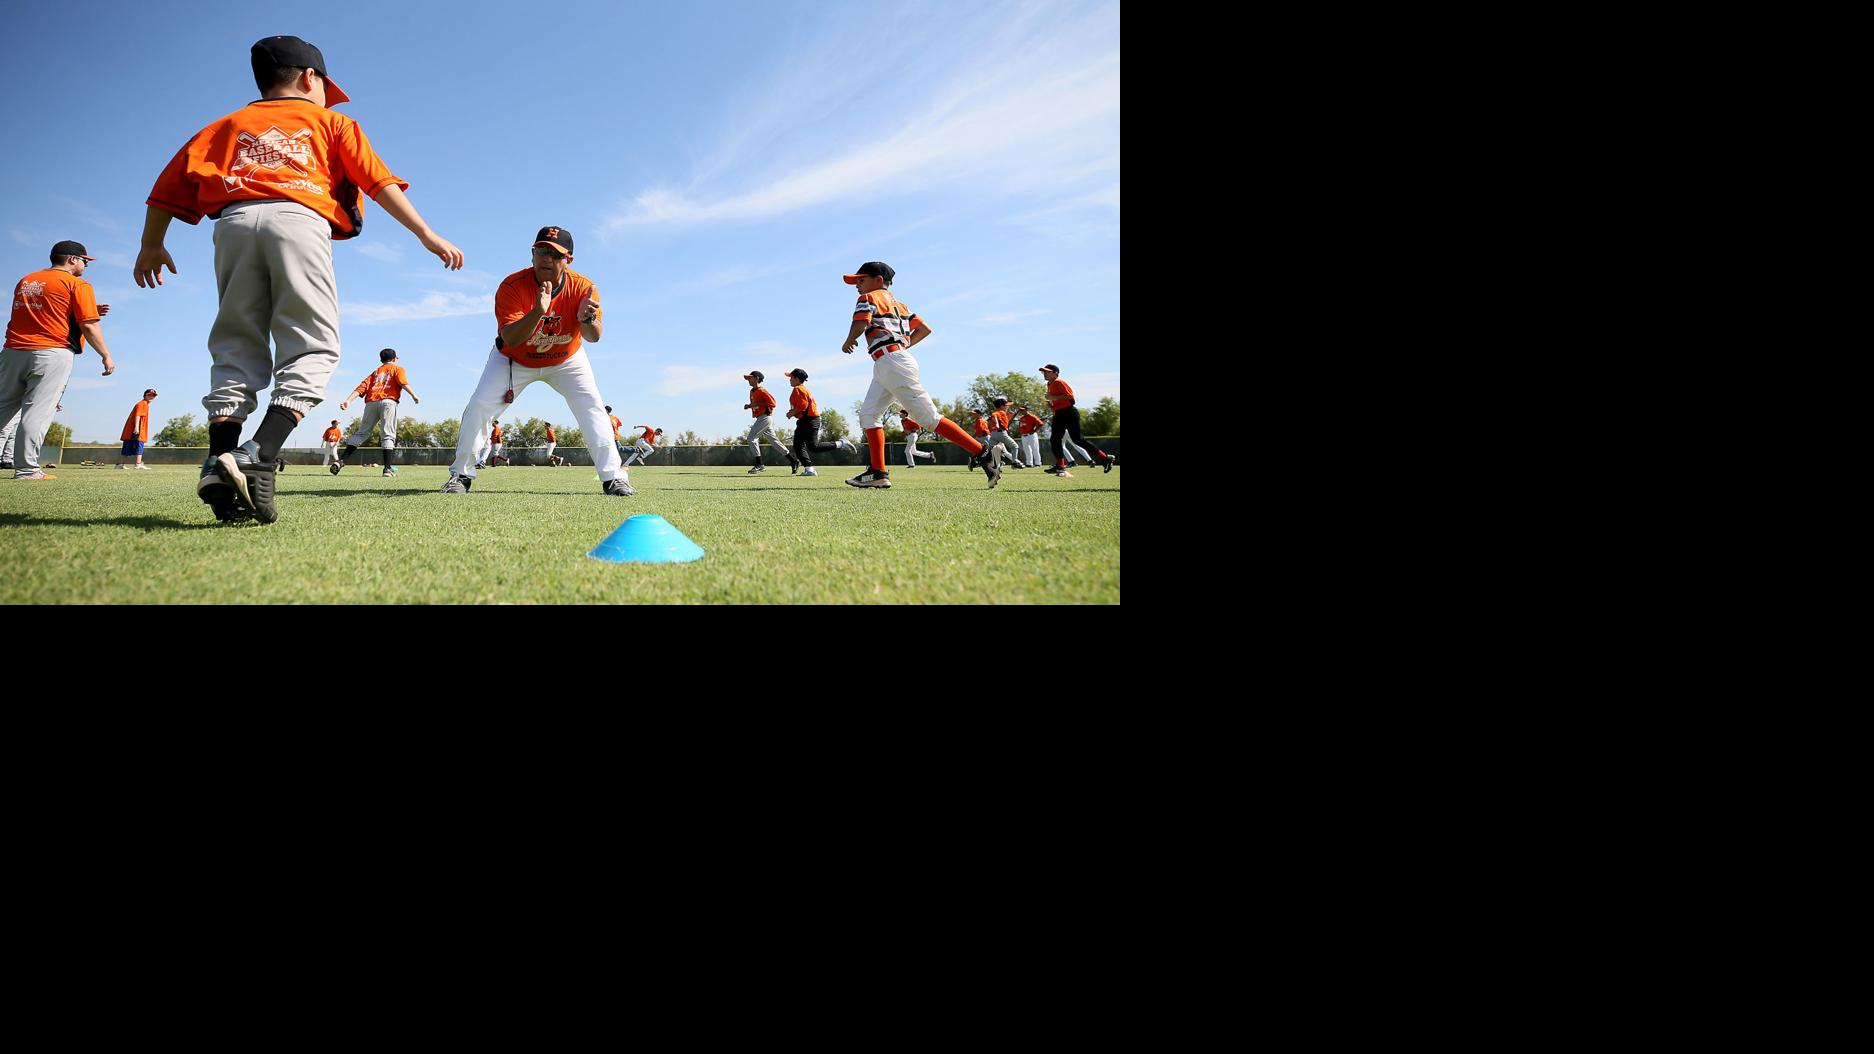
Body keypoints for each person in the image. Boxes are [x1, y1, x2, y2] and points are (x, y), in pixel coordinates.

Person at [136, 35, 462, 522]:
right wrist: (425, 233)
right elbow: (379, 183)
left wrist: (151, 244)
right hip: (298, 219)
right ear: (310, 77)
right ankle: (258, 453)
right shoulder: (331, 121)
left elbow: (166, 188)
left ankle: (218, 459)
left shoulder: (224, 125)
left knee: (235, 342)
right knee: (314, 346)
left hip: (233, 224)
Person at [441, 226, 629, 496]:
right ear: (532, 254)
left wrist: (586, 320)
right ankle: (461, 475)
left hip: (566, 358)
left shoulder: (584, 287)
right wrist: (539, 311)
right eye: (542, 251)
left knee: (593, 408)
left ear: (568, 260)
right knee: (479, 406)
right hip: (513, 359)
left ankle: (614, 478)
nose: (547, 259)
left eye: (555, 254)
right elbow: (511, 338)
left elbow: (594, 337)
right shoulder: (512, 286)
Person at [841, 261, 1001, 489]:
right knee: (869, 415)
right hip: (891, 361)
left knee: (929, 418)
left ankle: (984, 452)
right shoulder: (902, 306)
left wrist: (849, 340)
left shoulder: (869, 298)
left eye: (861, 280)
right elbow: (924, 328)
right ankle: (878, 472)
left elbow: (861, 322)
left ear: (878, 280)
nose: (857, 285)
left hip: (891, 362)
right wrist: (902, 346)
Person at [2, 240, 117, 481]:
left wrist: (86, 308)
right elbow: (88, 324)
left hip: (13, 350)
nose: (86, 265)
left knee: (2, 409)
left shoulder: (27, 279)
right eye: (85, 260)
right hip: (51, 352)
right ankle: (27, 470)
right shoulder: (78, 283)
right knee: (37, 412)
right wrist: (106, 354)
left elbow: (41, 309)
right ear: (72, 259)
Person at [334, 348, 419, 476]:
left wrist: (348, 400)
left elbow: (362, 387)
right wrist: (414, 395)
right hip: (388, 402)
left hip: (371, 403)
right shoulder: (398, 369)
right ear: (395, 359)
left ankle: (341, 461)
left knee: (362, 433)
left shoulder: (375, 372)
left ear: (381, 360)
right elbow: (403, 382)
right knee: (388, 434)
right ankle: (387, 468)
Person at [1039, 364, 1115, 478]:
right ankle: (1060, 466)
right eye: (1043, 372)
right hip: (1059, 414)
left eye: (1047, 371)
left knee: (1078, 440)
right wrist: (1051, 404)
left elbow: (1071, 398)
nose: (1045, 373)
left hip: (1069, 412)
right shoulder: (1049, 384)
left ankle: (1105, 458)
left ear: (1055, 372)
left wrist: (1053, 398)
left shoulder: (1059, 382)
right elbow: (1057, 402)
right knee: (1054, 439)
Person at [782, 368, 854, 478]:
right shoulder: (802, 389)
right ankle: (809, 469)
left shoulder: (798, 389)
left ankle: (841, 443)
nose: (790, 379)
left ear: (797, 379)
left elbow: (803, 406)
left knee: (813, 446)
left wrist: (791, 413)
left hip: (809, 420)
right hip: (807, 420)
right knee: (798, 444)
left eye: (791, 377)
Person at [742, 370, 796, 473]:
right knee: (774, 442)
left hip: (765, 417)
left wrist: (754, 404)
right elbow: (757, 404)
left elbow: (773, 403)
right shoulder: (752, 391)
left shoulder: (762, 390)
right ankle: (793, 460)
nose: (748, 380)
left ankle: (759, 464)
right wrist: (749, 406)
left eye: (750, 378)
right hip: (761, 418)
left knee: (751, 438)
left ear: (757, 378)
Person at [117, 389, 158, 469]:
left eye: (153, 395)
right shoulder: (143, 403)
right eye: (149, 395)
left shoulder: (144, 403)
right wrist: (136, 427)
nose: (151, 397)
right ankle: (138, 464)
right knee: (140, 444)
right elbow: (138, 415)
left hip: (132, 428)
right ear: (144, 395)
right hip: (138, 427)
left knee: (128, 445)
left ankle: (120, 464)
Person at [987, 397, 1028, 468]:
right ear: (1002, 406)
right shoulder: (1000, 412)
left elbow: (1005, 422)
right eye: (1007, 405)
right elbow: (994, 415)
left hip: (993, 434)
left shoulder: (1003, 413)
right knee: (1015, 446)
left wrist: (1013, 414)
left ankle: (987, 462)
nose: (1008, 406)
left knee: (991, 451)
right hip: (1001, 433)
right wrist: (996, 423)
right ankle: (1015, 462)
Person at [1015, 403, 1044, 469]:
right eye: (1021, 410)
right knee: (1027, 450)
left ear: (1027, 410)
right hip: (1023, 436)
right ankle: (1029, 463)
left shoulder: (1032, 416)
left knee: (1035, 449)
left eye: (1023, 410)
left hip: (1031, 435)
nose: (1022, 411)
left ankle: (1038, 463)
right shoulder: (1021, 418)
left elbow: (1040, 424)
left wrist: (1034, 430)